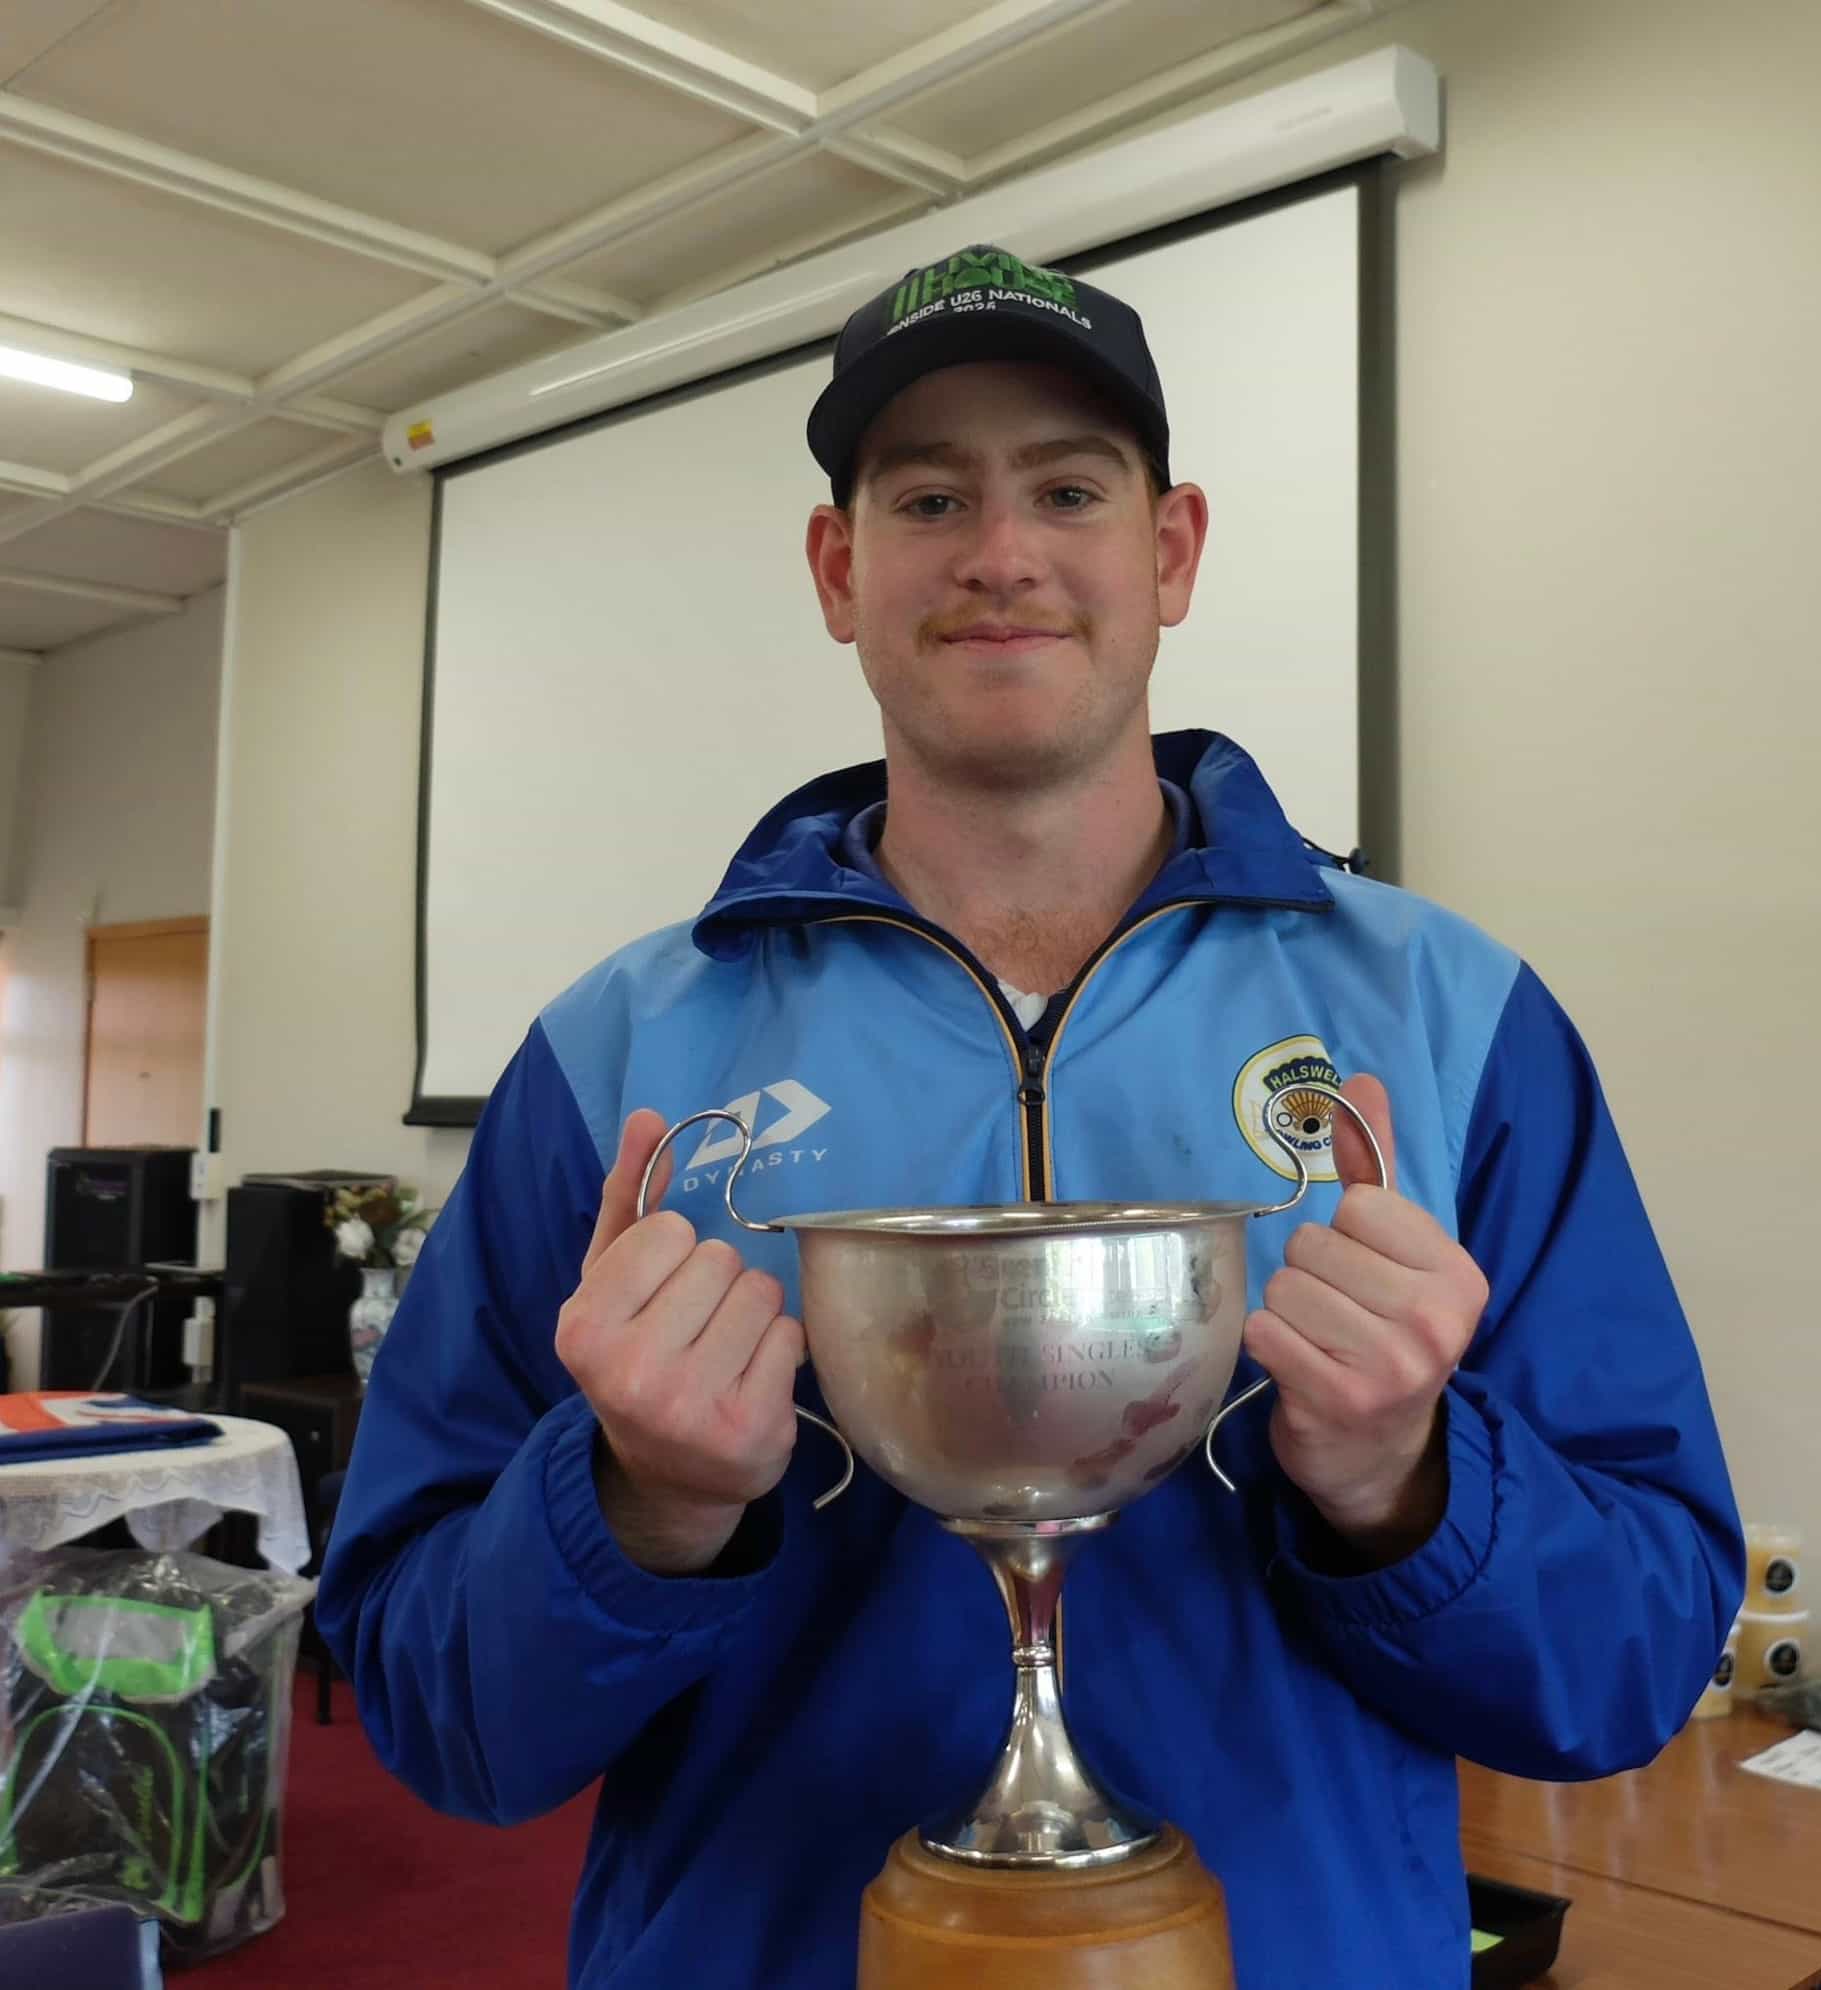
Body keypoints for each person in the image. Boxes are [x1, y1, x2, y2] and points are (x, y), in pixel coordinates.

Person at [319, 242, 1745, 1988]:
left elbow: (1638, 1660)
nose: (1001, 555)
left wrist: (1405, 1483)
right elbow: (428, 1708)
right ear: (842, 569)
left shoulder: (1451, 1020)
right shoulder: (616, 1055)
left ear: (1172, 550)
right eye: (930, 498)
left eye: (1068, 488)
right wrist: (637, 1506)